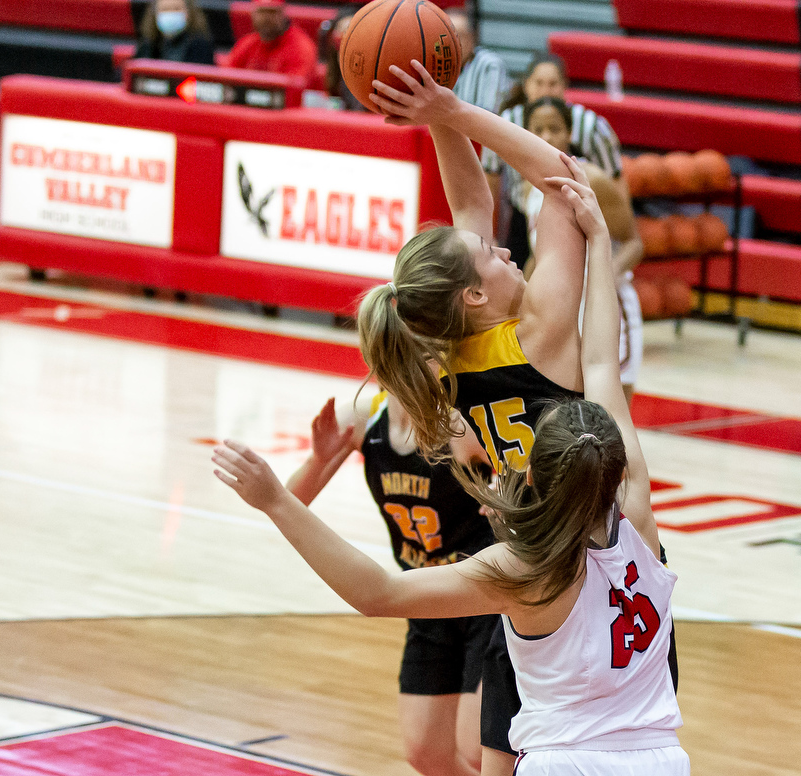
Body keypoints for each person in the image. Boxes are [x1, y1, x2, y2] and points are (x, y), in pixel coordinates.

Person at [212, 152, 688, 775]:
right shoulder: (638, 521)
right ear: (615, 463)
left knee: (472, 750)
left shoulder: (526, 570)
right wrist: (601, 243)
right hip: (658, 759)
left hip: (565, 761)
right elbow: (601, 365)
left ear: (525, 476)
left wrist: (276, 499)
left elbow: (375, 592)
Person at [359, 62, 677, 776]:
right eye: (493, 254)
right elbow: (562, 178)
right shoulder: (542, 324)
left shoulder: (452, 348)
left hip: (532, 571)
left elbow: (470, 205)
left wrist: (437, 109)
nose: (504, 247)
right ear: (473, 295)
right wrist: (453, 110)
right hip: (604, 565)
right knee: (627, 742)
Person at [286, 393, 494, 776]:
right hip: (426, 598)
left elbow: (533, 483)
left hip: (484, 596)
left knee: (479, 747)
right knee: (425, 750)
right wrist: (319, 459)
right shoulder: (363, 419)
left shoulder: (463, 423)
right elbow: (291, 501)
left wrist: (508, 496)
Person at [516, 96, 644, 406]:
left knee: (612, 416)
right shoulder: (528, 186)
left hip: (607, 307)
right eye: (538, 129)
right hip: (560, 312)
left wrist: (604, 279)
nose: (546, 137)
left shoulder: (594, 181)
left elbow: (634, 243)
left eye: (555, 129)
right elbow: (540, 254)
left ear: (570, 134)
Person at [481, 54, 624, 252]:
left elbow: (615, 180)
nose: (545, 91)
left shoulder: (591, 126)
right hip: (523, 216)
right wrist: (487, 234)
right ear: (526, 85)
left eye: (553, 83)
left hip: (576, 215)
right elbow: (490, 178)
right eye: (539, 83)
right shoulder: (504, 123)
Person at [225, 0, 318, 83]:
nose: (266, 18)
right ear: (253, 13)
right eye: (262, 12)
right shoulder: (247, 44)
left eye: (272, 12)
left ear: (283, 13)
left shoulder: (300, 47)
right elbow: (226, 79)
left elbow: (294, 89)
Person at [448, 9, 508, 114]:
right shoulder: (432, 62)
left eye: (459, 36)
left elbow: (489, 115)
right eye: (447, 35)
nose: (453, 42)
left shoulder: (490, 64)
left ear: (472, 38)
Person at [316, 4, 367, 111]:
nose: (344, 36)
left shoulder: (367, 74)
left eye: (350, 31)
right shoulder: (334, 67)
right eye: (341, 31)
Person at [134, 0, 214, 65]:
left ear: (188, 12)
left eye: (176, 9)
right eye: (165, 9)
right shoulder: (148, 44)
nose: (170, 13)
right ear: (155, 14)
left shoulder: (200, 45)